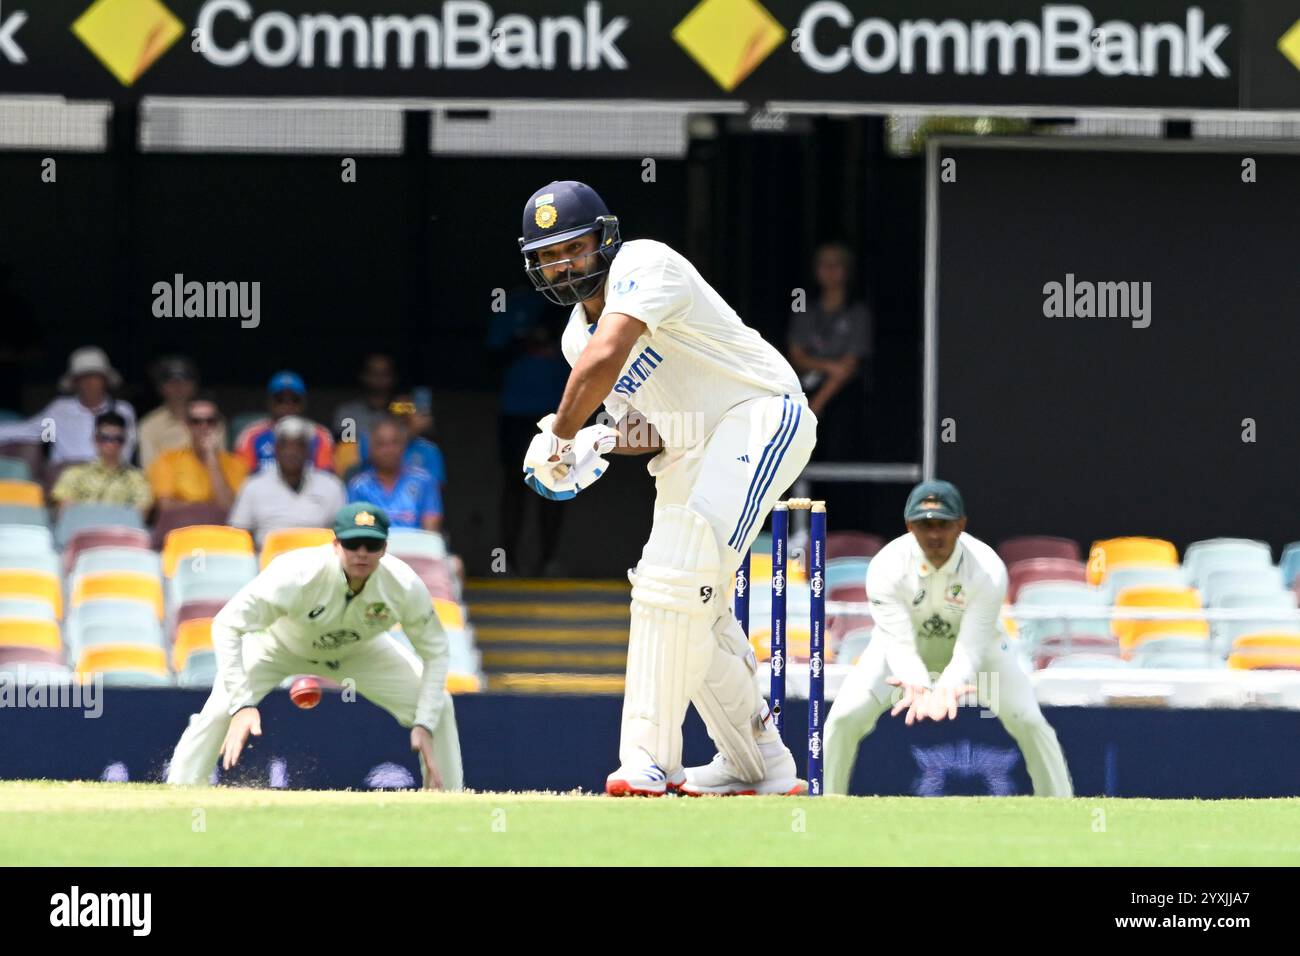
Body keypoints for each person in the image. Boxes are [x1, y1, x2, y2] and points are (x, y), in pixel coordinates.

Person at [517, 180, 818, 797]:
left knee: (681, 573)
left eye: (572, 249)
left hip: (760, 413)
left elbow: (607, 355)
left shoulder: (646, 263)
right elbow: (652, 424)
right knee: (677, 593)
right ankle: (757, 762)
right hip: (689, 444)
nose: (560, 265)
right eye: (546, 256)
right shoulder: (576, 336)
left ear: (604, 240)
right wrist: (595, 442)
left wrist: (558, 432)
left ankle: (649, 760)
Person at [165, 503, 463, 790]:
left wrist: (423, 722)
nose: (361, 553)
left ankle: (448, 798)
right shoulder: (297, 574)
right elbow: (227, 624)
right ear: (335, 544)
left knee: (440, 706)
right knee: (219, 711)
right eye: (352, 543)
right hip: (280, 646)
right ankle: (182, 789)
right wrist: (242, 703)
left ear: (384, 548)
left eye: (371, 545)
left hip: (359, 650)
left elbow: (436, 651)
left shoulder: (404, 586)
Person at [823, 480, 1074, 797]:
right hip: (896, 658)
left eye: (943, 524)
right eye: (924, 524)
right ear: (909, 525)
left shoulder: (987, 569)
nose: (934, 534)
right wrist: (917, 682)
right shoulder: (886, 567)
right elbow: (898, 643)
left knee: (1030, 721)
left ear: (961, 525)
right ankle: (826, 801)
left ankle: (1060, 802)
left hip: (983, 658)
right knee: (843, 718)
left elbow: (971, 649)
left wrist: (946, 687)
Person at [786, 243, 872, 457]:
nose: (830, 270)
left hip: (843, 398)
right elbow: (796, 356)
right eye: (824, 264)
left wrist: (816, 405)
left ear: (848, 270)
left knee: (840, 446)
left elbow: (848, 367)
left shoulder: (858, 313)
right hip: (805, 392)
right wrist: (829, 366)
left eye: (837, 264)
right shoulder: (804, 307)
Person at [498, 323, 569, 576]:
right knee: (514, 483)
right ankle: (506, 561)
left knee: (554, 482)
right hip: (514, 411)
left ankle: (549, 561)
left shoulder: (570, 303)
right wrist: (525, 340)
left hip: (558, 411)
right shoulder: (508, 303)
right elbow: (492, 356)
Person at [0, 346, 137, 466]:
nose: (89, 384)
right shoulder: (59, 410)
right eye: (83, 378)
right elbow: (26, 430)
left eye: (94, 377)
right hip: (65, 480)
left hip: (110, 477)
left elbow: (126, 450)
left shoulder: (122, 410)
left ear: (105, 380)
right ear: (74, 383)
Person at [228, 416, 347, 547]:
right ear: (276, 449)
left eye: (299, 445)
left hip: (318, 561)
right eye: (285, 445)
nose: (292, 452)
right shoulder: (253, 485)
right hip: (267, 561)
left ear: (309, 451)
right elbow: (237, 535)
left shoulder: (331, 486)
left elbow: (343, 534)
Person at [148, 396, 247, 513]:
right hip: (181, 527)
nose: (204, 427)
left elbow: (229, 508)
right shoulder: (167, 460)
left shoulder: (236, 464)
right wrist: (208, 507)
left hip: (220, 529)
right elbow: (166, 507)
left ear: (219, 425)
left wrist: (211, 458)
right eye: (196, 421)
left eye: (210, 421)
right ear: (186, 425)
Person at [48, 411, 152, 516]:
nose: (111, 444)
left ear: (125, 441)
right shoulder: (74, 474)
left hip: (119, 531)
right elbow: (64, 512)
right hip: (83, 529)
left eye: (117, 439)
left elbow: (141, 514)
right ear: (95, 439)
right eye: (105, 438)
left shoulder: (137, 478)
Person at [347, 417, 442, 532]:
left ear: (404, 446)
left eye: (394, 443)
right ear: (371, 449)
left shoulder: (424, 481)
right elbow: (355, 533)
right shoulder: (359, 486)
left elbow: (431, 532)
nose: (388, 450)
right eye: (381, 444)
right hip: (373, 548)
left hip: (415, 548)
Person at [234, 371, 334, 474]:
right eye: (280, 400)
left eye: (295, 400)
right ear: (269, 403)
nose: (287, 405)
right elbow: (243, 479)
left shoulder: (320, 435)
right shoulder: (251, 436)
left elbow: (325, 478)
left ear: (304, 403)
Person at [137, 356, 224, 468]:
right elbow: (150, 469)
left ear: (195, 385)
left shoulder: (212, 419)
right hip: (166, 484)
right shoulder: (148, 425)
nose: (178, 385)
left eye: (185, 379)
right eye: (170, 381)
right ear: (160, 387)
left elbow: (222, 463)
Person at [333, 353, 397, 442]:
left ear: (393, 378)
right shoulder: (347, 413)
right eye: (374, 373)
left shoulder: (404, 410)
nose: (379, 378)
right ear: (364, 376)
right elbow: (345, 449)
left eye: (385, 373)